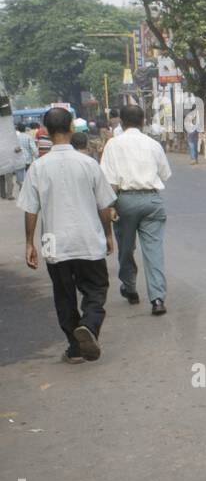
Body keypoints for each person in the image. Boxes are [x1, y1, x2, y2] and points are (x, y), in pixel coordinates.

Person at [17, 107, 117, 363]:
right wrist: (108, 234)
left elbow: (30, 209)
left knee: (63, 295)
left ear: (47, 132)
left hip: (53, 243)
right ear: (72, 128)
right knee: (96, 289)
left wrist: (29, 243)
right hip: (88, 238)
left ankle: (75, 348)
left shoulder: (38, 168)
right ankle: (90, 325)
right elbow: (104, 205)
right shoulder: (89, 164)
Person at [100, 103, 171, 315]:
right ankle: (157, 299)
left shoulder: (113, 145)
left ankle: (130, 288)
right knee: (154, 251)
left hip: (125, 201)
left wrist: (110, 205)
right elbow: (164, 174)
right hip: (151, 200)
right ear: (143, 121)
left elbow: (108, 180)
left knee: (126, 248)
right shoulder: (153, 144)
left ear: (121, 121)